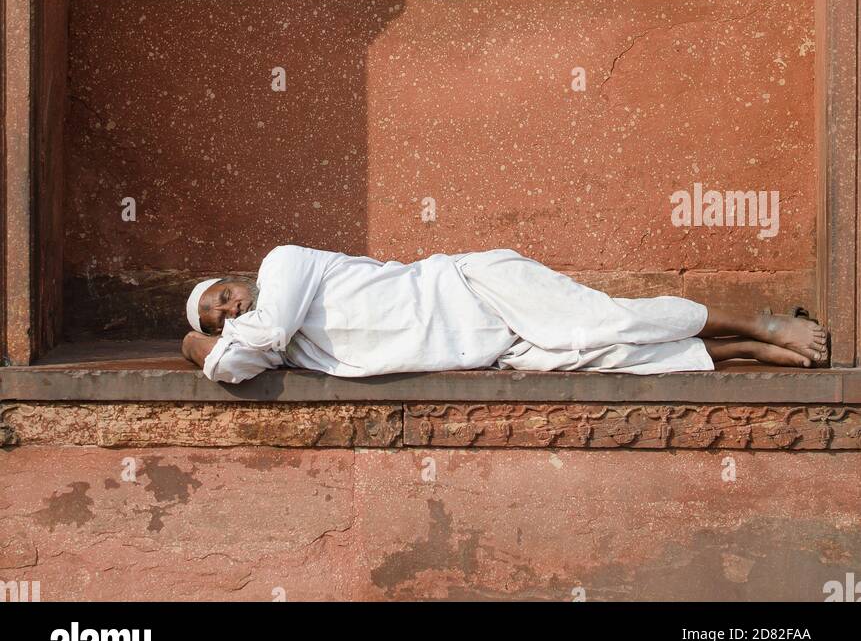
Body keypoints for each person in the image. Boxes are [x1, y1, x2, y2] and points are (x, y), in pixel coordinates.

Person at [180, 245, 827, 383]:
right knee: (616, 360)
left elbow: (243, 350)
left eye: (221, 295)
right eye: (214, 318)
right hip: (490, 348)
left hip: (478, 289)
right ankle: (744, 351)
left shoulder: (282, 266)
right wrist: (208, 346)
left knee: (610, 322)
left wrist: (191, 347)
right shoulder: (279, 345)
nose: (227, 309)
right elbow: (238, 362)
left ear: (238, 277)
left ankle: (756, 322)